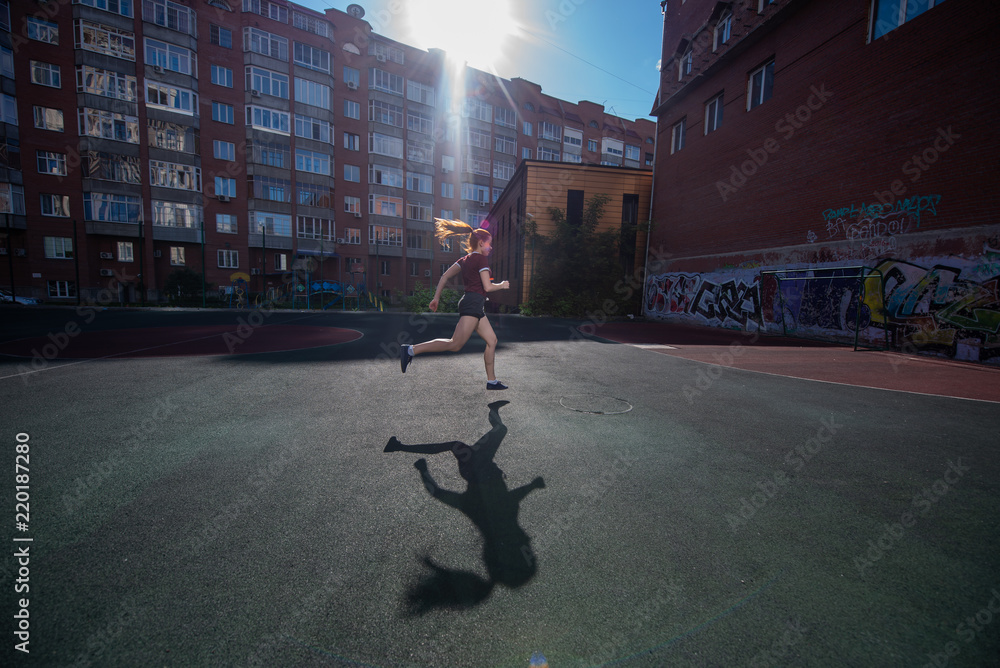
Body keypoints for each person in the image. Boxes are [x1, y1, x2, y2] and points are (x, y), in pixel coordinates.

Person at [400, 219, 510, 390]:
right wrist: (502, 285)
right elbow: (487, 286)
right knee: (455, 344)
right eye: (489, 244)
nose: (491, 247)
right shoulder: (481, 260)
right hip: (473, 304)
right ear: (481, 243)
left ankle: (492, 381)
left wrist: (436, 298)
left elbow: (444, 276)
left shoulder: (464, 259)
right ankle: (410, 350)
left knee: (492, 340)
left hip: (474, 304)